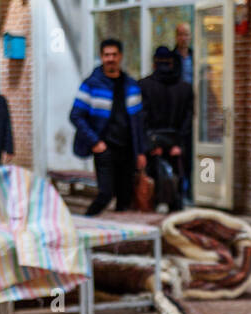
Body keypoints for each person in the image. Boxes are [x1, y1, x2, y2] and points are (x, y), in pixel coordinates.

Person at [70, 38, 147, 217]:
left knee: (124, 198)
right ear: (101, 57)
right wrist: (95, 142)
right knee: (105, 194)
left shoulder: (131, 85)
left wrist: (141, 152)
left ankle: (119, 237)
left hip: (127, 150)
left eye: (114, 54)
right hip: (104, 148)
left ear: (120, 56)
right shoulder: (92, 84)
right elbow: (75, 115)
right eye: (106, 55)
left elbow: (138, 123)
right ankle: (84, 223)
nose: (110, 58)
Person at [139, 46, 192, 211]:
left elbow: (142, 118)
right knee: (174, 191)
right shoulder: (185, 88)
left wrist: (152, 145)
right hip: (175, 146)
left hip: (155, 146)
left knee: (154, 191)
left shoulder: (144, 85)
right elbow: (187, 120)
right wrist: (178, 144)